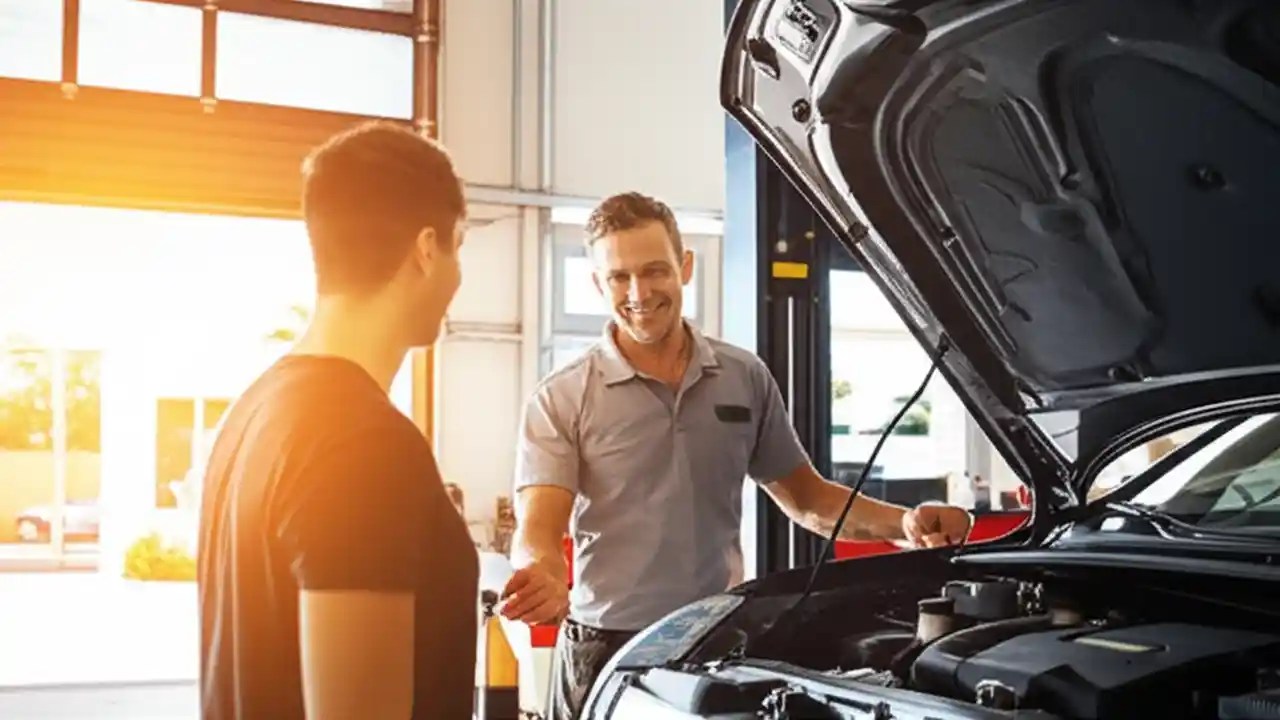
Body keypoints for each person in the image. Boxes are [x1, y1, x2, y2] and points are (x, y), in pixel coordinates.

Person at [500, 192, 974, 719]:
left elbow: (809, 498)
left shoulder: (743, 377)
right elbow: (538, 528)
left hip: (715, 640)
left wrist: (904, 522)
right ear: (597, 284)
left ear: (685, 267)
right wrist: (538, 571)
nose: (638, 292)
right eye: (618, 277)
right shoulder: (563, 395)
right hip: (607, 650)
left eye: (655, 270)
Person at [197, 121, 478, 720]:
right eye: (461, 245)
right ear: (427, 250)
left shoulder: (254, 410)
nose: (458, 276)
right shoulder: (364, 445)